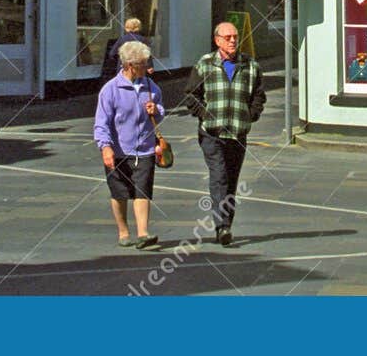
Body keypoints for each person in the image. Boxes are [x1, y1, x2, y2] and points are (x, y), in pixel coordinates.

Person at [180, 21, 265, 246]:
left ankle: (226, 222)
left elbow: (258, 95)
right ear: (217, 40)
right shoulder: (205, 64)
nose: (232, 40)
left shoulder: (251, 65)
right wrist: (204, 115)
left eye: (235, 37)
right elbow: (191, 95)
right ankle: (222, 226)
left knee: (232, 179)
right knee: (219, 176)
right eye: (227, 37)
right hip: (212, 133)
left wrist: (251, 114)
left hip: (238, 132)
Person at [93, 40, 164, 249]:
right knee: (120, 192)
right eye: (143, 63)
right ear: (129, 65)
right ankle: (123, 231)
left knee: (143, 191)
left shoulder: (151, 86)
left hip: (145, 148)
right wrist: (105, 147)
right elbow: (101, 122)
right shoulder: (110, 90)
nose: (147, 66)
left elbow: (160, 112)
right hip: (118, 150)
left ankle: (143, 233)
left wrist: (156, 110)